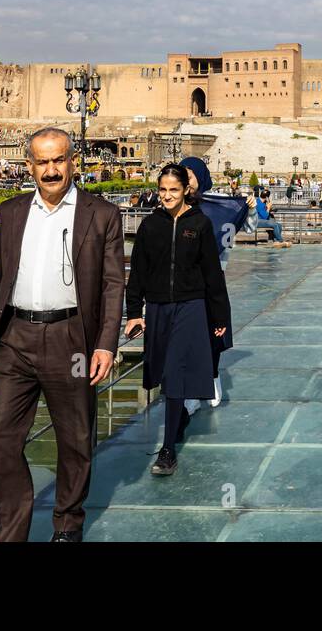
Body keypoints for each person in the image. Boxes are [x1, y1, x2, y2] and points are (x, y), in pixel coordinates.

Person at [0, 127, 125, 542]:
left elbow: (114, 285)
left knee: (75, 440)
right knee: (0, 439)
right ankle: (9, 531)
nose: (51, 170)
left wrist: (105, 344)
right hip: (14, 340)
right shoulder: (11, 212)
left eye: (59, 160)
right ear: (29, 166)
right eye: (42, 162)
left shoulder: (102, 214)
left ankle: (66, 526)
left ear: (73, 161)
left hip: (72, 339)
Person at [124, 163, 232, 479]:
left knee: (174, 374)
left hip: (190, 307)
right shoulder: (151, 226)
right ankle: (178, 421)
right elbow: (139, 273)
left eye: (174, 190)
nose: (168, 196)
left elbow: (213, 274)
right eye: (162, 190)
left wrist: (219, 317)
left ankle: (168, 448)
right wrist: (133, 313)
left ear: (185, 190)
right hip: (158, 308)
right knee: (162, 373)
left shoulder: (198, 224)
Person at [179, 156, 249, 410]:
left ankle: (212, 376)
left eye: (191, 174)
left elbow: (246, 227)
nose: (186, 179)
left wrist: (248, 207)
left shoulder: (220, 206)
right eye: (182, 173)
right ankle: (190, 389)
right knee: (187, 334)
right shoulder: (177, 204)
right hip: (184, 280)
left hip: (212, 279)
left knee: (213, 332)